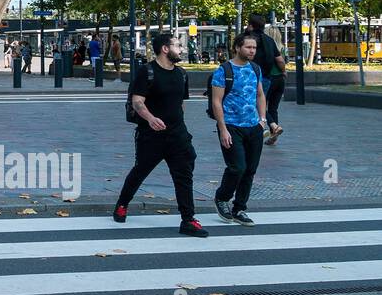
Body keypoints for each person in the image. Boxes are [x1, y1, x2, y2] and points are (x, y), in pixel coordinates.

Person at [113, 33, 208, 236]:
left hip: (177, 135)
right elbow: (138, 101)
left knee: (183, 176)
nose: (181, 49)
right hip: (151, 135)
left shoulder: (181, 73)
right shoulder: (146, 72)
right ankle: (122, 204)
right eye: (177, 45)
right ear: (165, 49)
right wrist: (150, 118)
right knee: (140, 171)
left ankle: (188, 220)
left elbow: (180, 102)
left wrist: (179, 125)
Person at [211, 34, 268, 226]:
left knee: (250, 170)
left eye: (254, 48)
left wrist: (262, 120)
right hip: (231, 126)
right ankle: (222, 197)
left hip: (253, 127)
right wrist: (223, 129)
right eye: (248, 47)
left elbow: (260, 95)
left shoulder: (255, 68)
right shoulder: (224, 70)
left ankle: (239, 208)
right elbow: (216, 101)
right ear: (237, 48)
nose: (252, 51)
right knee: (237, 167)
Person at [247, 14, 286, 146]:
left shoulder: (249, 40)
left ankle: (271, 127)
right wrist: (284, 71)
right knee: (272, 107)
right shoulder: (269, 41)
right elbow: (280, 60)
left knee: (257, 104)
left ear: (251, 25)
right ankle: (273, 131)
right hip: (270, 78)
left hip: (255, 77)